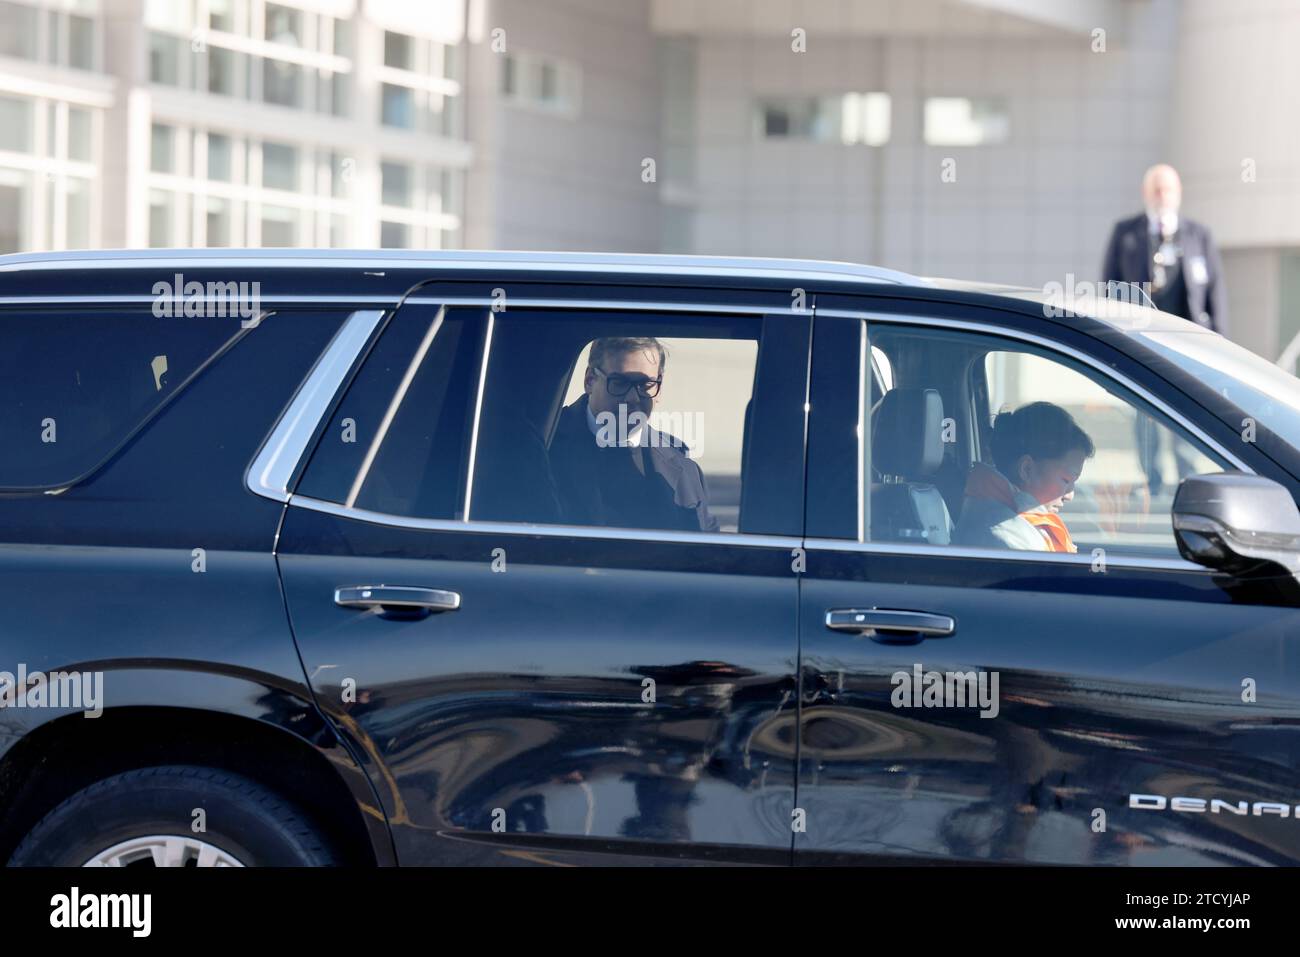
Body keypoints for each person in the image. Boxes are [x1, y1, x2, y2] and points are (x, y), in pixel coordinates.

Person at [1101, 163, 1226, 494]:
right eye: (1156, 189)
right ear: (1146, 193)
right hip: (1142, 342)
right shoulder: (1126, 233)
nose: (1162, 196)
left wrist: (1220, 346)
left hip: (1189, 344)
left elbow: (1214, 295)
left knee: (1190, 409)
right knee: (1146, 411)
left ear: (1178, 193)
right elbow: (1109, 288)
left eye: (1167, 189)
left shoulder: (1199, 236)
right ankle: (1152, 480)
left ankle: (1190, 478)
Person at [548, 336, 718, 532]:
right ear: (589, 381)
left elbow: (710, 553)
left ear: (659, 387)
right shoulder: (543, 447)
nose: (632, 397)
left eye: (645, 385)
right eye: (619, 383)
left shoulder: (684, 466)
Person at [953, 402, 1095, 552]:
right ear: (1026, 470)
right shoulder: (1006, 539)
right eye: (1066, 480)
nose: (1070, 495)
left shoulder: (1007, 521)